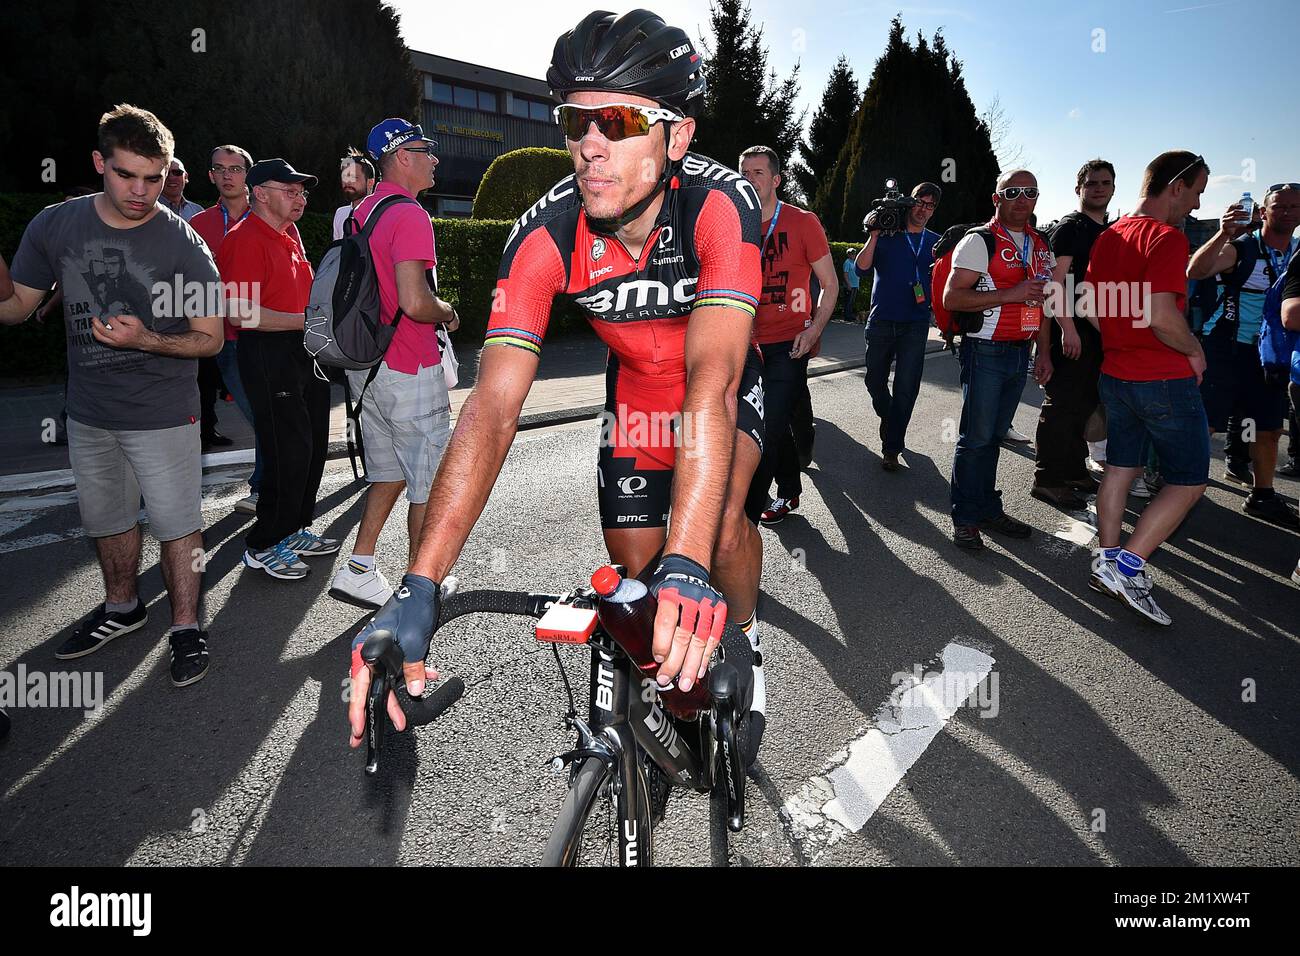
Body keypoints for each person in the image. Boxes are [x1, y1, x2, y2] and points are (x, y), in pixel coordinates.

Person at [347, 9, 769, 753]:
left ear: (676, 136)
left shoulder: (720, 205)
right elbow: (492, 407)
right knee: (636, 569)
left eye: (617, 120)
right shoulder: (544, 235)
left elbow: (712, 384)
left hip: (715, 388)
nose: (590, 147)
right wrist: (421, 582)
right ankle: (672, 689)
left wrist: (692, 564)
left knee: (720, 528)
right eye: (575, 125)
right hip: (637, 394)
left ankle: (744, 641)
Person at [0, 105, 223, 685]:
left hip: (162, 413)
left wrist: (146, 337)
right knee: (109, 519)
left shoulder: (184, 245)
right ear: (100, 163)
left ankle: (186, 628)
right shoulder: (55, 225)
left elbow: (210, 339)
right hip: (90, 413)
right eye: (128, 176)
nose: (142, 191)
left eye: (155, 178)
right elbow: (17, 308)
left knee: (177, 524)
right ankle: (122, 608)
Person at [328, 121, 457, 609]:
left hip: (367, 367)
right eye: (427, 150)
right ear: (402, 156)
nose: (434, 159)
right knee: (430, 484)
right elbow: (415, 301)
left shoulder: (360, 211)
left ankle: (359, 566)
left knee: (388, 472)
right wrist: (450, 312)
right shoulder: (410, 215)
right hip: (408, 364)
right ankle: (419, 586)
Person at [1084, 150, 1210, 626]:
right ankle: (1129, 566)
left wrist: (1120, 338)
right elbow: (1160, 315)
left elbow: (1092, 308)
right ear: (1176, 186)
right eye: (1196, 192)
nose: (1196, 205)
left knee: (1121, 467)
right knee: (1189, 480)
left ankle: (1108, 558)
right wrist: (1194, 349)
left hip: (1116, 373)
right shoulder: (1167, 238)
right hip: (1162, 376)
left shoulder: (1110, 234)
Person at [218, 158, 339, 580]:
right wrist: (305, 322)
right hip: (269, 351)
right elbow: (241, 314)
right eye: (290, 189)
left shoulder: (290, 234)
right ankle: (264, 542)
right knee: (285, 449)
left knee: (312, 444)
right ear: (260, 194)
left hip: (304, 349)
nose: (300, 197)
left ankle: (296, 527)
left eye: (302, 191)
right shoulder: (243, 238)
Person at [942, 170, 1054, 550]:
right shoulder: (980, 241)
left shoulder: (1041, 244)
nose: (1023, 199)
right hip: (985, 351)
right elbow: (952, 298)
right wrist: (1012, 293)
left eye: (1031, 192)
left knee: (993, 437)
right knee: (975, 438)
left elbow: (1044, 304)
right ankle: (965, 517)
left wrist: (1045, 351)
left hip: (1020, 351)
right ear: (997, 198)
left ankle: (987, 507)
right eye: (1013, 192)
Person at [1187, 183, 1299, 528]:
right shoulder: (1243, 248)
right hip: (1226, 348)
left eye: (1294, 207)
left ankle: (1262, 495)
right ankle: (1181, 487)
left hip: (1270, 356)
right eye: (1278, 206)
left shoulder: (1298, 253)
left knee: (1268, 429)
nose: (1286, 212)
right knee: (1204, 424)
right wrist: (1223, 233)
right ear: (1263, 212)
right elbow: (1196, 271)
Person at [740, 145, 836, 523]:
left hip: (789, 345)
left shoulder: (802, 221)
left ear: (776, 179)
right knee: (770, 427)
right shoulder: (735, 222)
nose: (749, 179)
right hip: (746, 345)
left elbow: (830, 284)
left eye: (758, 173)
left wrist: (813, 331)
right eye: (744, 172)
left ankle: (742, 521)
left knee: (766, 429)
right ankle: (791, 493)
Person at [190, 144, 269, 514]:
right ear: (210, 175)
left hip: (266, 334)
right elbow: (186, 285)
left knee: (265, 415)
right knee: (261, 415)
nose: (227, 175)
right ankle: (267, 486)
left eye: (235, 169)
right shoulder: (197, 225)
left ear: (248, 176)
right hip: (221, 340)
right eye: (219, 169)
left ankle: (265, 487)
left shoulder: (272, 216)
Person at [1032, 159, 1115, 508]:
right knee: (1061, 406)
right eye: (1091, 183)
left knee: (1084, 405)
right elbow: (1053, 285)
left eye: (1105, 183)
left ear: (1113, 188)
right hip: (1072, 333)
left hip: (1096, 334)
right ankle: (1048, 479)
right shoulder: (1070, 228)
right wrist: (1067, 331)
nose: (1098, 188)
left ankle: (1073, 469)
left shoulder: (1105, 230)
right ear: (1078, 189)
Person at [855, 182, 941, 471]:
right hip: (881, 320)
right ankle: (891, 420)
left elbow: (944, 283)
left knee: (907, 387)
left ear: (933, 210)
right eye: (919, 201)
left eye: (929, 205)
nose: (923, 208)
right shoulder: (888, 234)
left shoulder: (935, 243)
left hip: (915, 325)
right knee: (873, 381)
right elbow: (861, 268)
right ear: (909, 202)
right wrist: (874, 234)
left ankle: (892, 446)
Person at [332, 149, 377, 241]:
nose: (348, 181)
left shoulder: (381, 213)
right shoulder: (340, 213)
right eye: (344, 177)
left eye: (354, 177)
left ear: (370, 182)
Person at [842, 248, 860, 322]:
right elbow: (845, 274)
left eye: (854, 253)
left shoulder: (854, 262)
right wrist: (848, 284)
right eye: (851, 253)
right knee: (848, 301)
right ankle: (847, 316)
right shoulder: (847, 262)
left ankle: (849, 315)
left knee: (852, 301)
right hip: (850, 285)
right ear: (848, 254)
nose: (853, 255)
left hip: (855, 285)